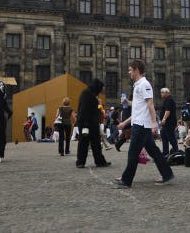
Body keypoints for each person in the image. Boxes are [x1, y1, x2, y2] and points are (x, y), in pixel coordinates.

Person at [113, 60, 174, 188]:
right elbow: (139, 108)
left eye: (130, 70)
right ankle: (167, 174)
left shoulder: (144, 84)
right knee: (154, 151)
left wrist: (153, 123)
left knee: (133, 152)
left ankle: (126, 180)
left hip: (141, 126)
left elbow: (150, 105)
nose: (129, 72)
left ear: (136, 70)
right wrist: (125, 120)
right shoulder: (138, 85)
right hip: (141, 124)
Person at [76, 78, 110, 168]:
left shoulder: (90, 94)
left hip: (91, 123)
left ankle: (96, 161)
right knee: (85, 142)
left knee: (94, 143)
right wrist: (86, 123)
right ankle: (82, 162)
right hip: (86, 123)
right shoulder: (87, 94)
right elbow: (84, 110)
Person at [159, 88, 178, 156]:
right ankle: (165, 152)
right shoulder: (167, 100)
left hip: (169, 122)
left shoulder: (169, 100)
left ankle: (176, 151)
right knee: (164, 137)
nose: (161, 94)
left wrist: (164, 119)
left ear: (166, 93)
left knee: (171, 137)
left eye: (162, 92)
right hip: (167, 123)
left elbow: (168, 111)